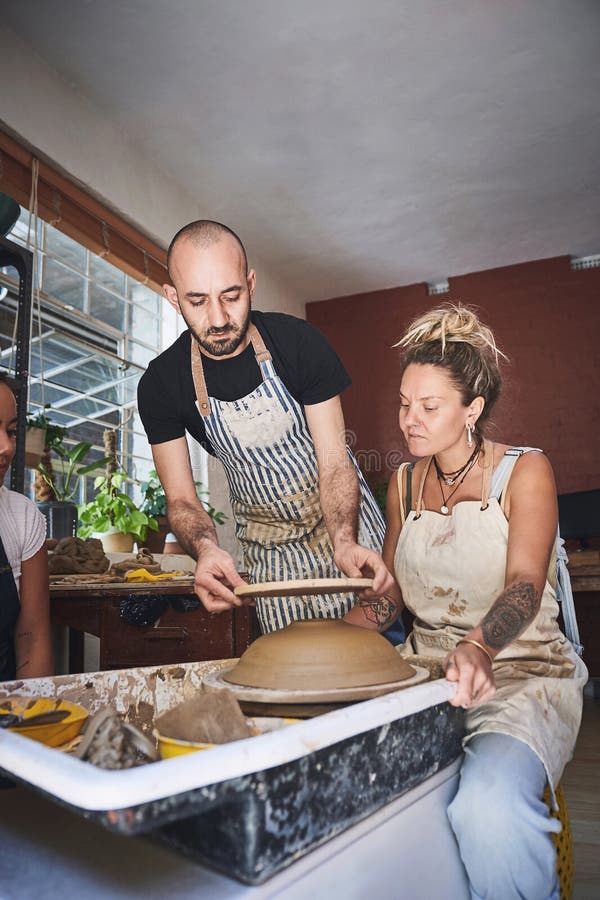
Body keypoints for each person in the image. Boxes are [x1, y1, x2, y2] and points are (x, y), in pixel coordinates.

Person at [364, 304, 587, 900]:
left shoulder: (525, 471)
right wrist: (344, 622)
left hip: (519, 673)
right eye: (404, 403)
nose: (409, 420)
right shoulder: (404, 483)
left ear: (473, 411)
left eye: (429, 407)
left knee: (488, 809)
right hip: (424, 674)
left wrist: (479, 645)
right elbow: (389, 604)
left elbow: (524, 584)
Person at [138, 220, 401, 638]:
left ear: (251, 283)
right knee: (292, 675)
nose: (219, 318)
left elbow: (333, 462)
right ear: (173, 298)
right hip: (270, 551)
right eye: (198, 301)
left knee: (377, 669)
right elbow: (183, 500)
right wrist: (206, 550)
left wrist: (346, 541)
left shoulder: (299, 344)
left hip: (346, 532)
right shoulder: (160, 386)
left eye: (231, 295)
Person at [0, 373, 52, 680]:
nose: (6, 446)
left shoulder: (21, 517)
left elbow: (32, 640)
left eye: (11, 431)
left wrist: (32, 725)